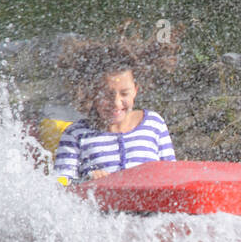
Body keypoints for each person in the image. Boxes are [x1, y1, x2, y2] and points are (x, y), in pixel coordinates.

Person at [53, 53, 175, 184]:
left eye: (124, 94)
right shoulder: (76, 134)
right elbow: (60, 184)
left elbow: (173, 175)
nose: (116, 103)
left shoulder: (154, 124)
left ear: (135, 90)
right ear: (93, 93)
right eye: (107, 95)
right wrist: (86, 181)